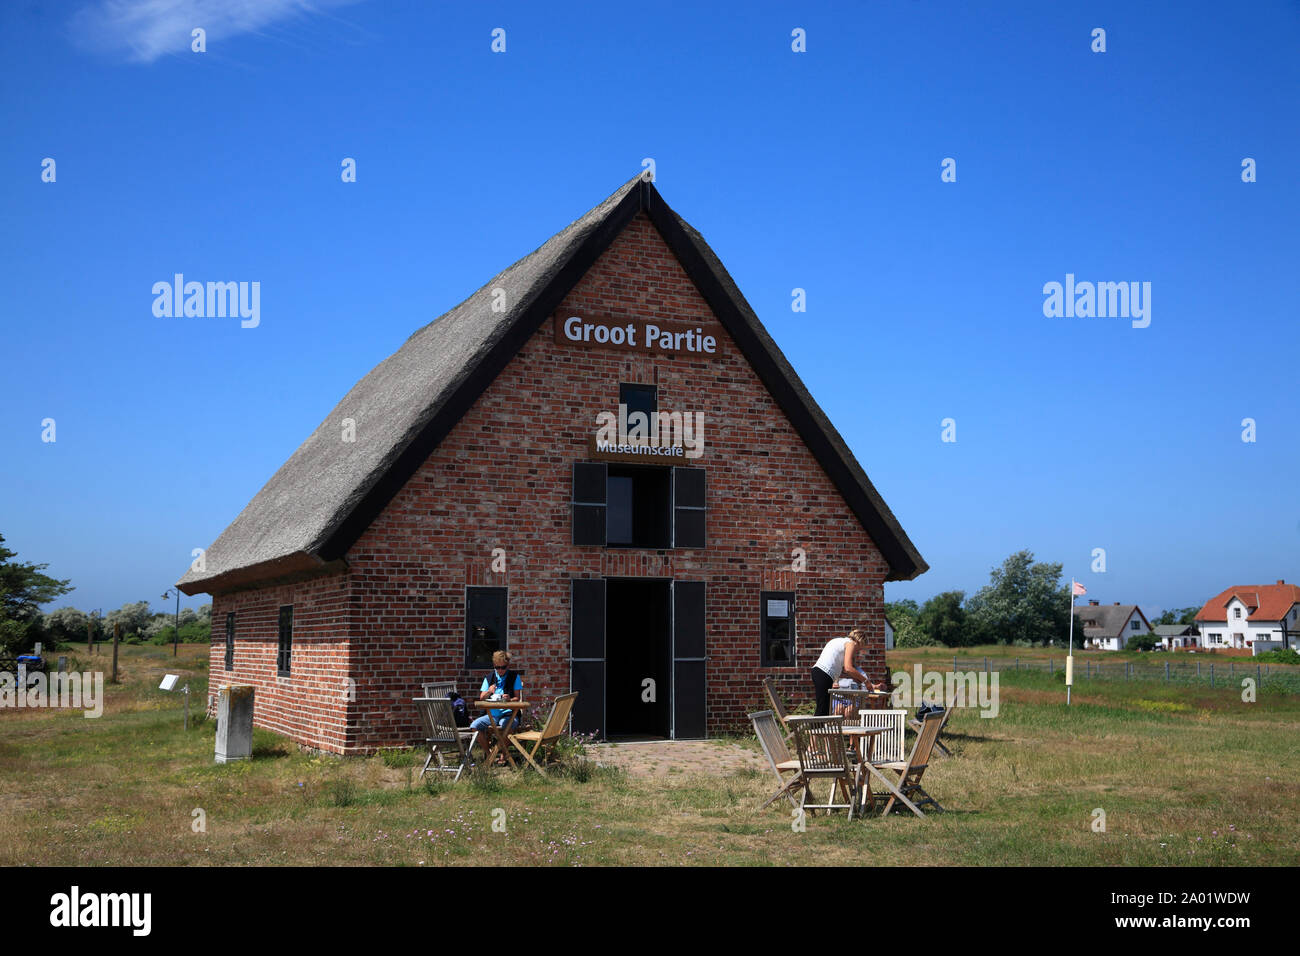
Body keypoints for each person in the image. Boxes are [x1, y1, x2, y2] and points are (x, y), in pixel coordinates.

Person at [471, 650, 523, 762]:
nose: (500, 670)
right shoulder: (489, 677)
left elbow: (517, 698)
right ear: (494, 666)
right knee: (474, 726)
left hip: (508, 714)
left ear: (507, 666)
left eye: (503, 667)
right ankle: (490, 754)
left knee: (508, 725)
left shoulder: (514, 677)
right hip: (492, 715)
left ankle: (503, 754)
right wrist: (489, 691)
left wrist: (509, 699)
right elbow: (482, 697)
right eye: (497, 667)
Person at [810, 627, 872, 717]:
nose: (857, 652)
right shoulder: (851, 643)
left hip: (819, 672)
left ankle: (817, 725)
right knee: (822, 710)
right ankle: (814, 726)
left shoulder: (840, 641)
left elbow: (841, 666)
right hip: (824, 673)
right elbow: (848, 668)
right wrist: (866, 681)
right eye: (859, 649)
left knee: (824, 708)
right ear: (859, 642)